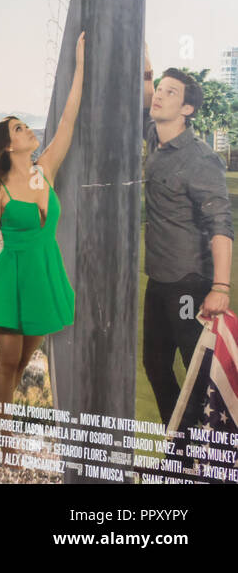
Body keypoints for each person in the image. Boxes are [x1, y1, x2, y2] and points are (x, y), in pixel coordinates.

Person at [0, 32, 84, 412]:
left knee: (21, 367)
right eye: (18, 128)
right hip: (10, 281)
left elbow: (67, 119)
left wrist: (81, 66)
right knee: (6, 365)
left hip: (45, 277)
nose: (27, 129)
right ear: (7, 146)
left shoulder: (45, 169)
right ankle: (1, 438)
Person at [139, 57, 233, 429]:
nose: (158, 96)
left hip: (187, 286)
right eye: (159, 89)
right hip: (159, 281)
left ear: (188, 108)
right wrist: (146, 59)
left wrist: (221, 287)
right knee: (155, 364)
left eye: (170, 92)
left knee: (193, 368)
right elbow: (147, 91)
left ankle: (198, 450)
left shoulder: (201, 159)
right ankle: (180, 444)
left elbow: (221, 225)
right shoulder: (154, 137)